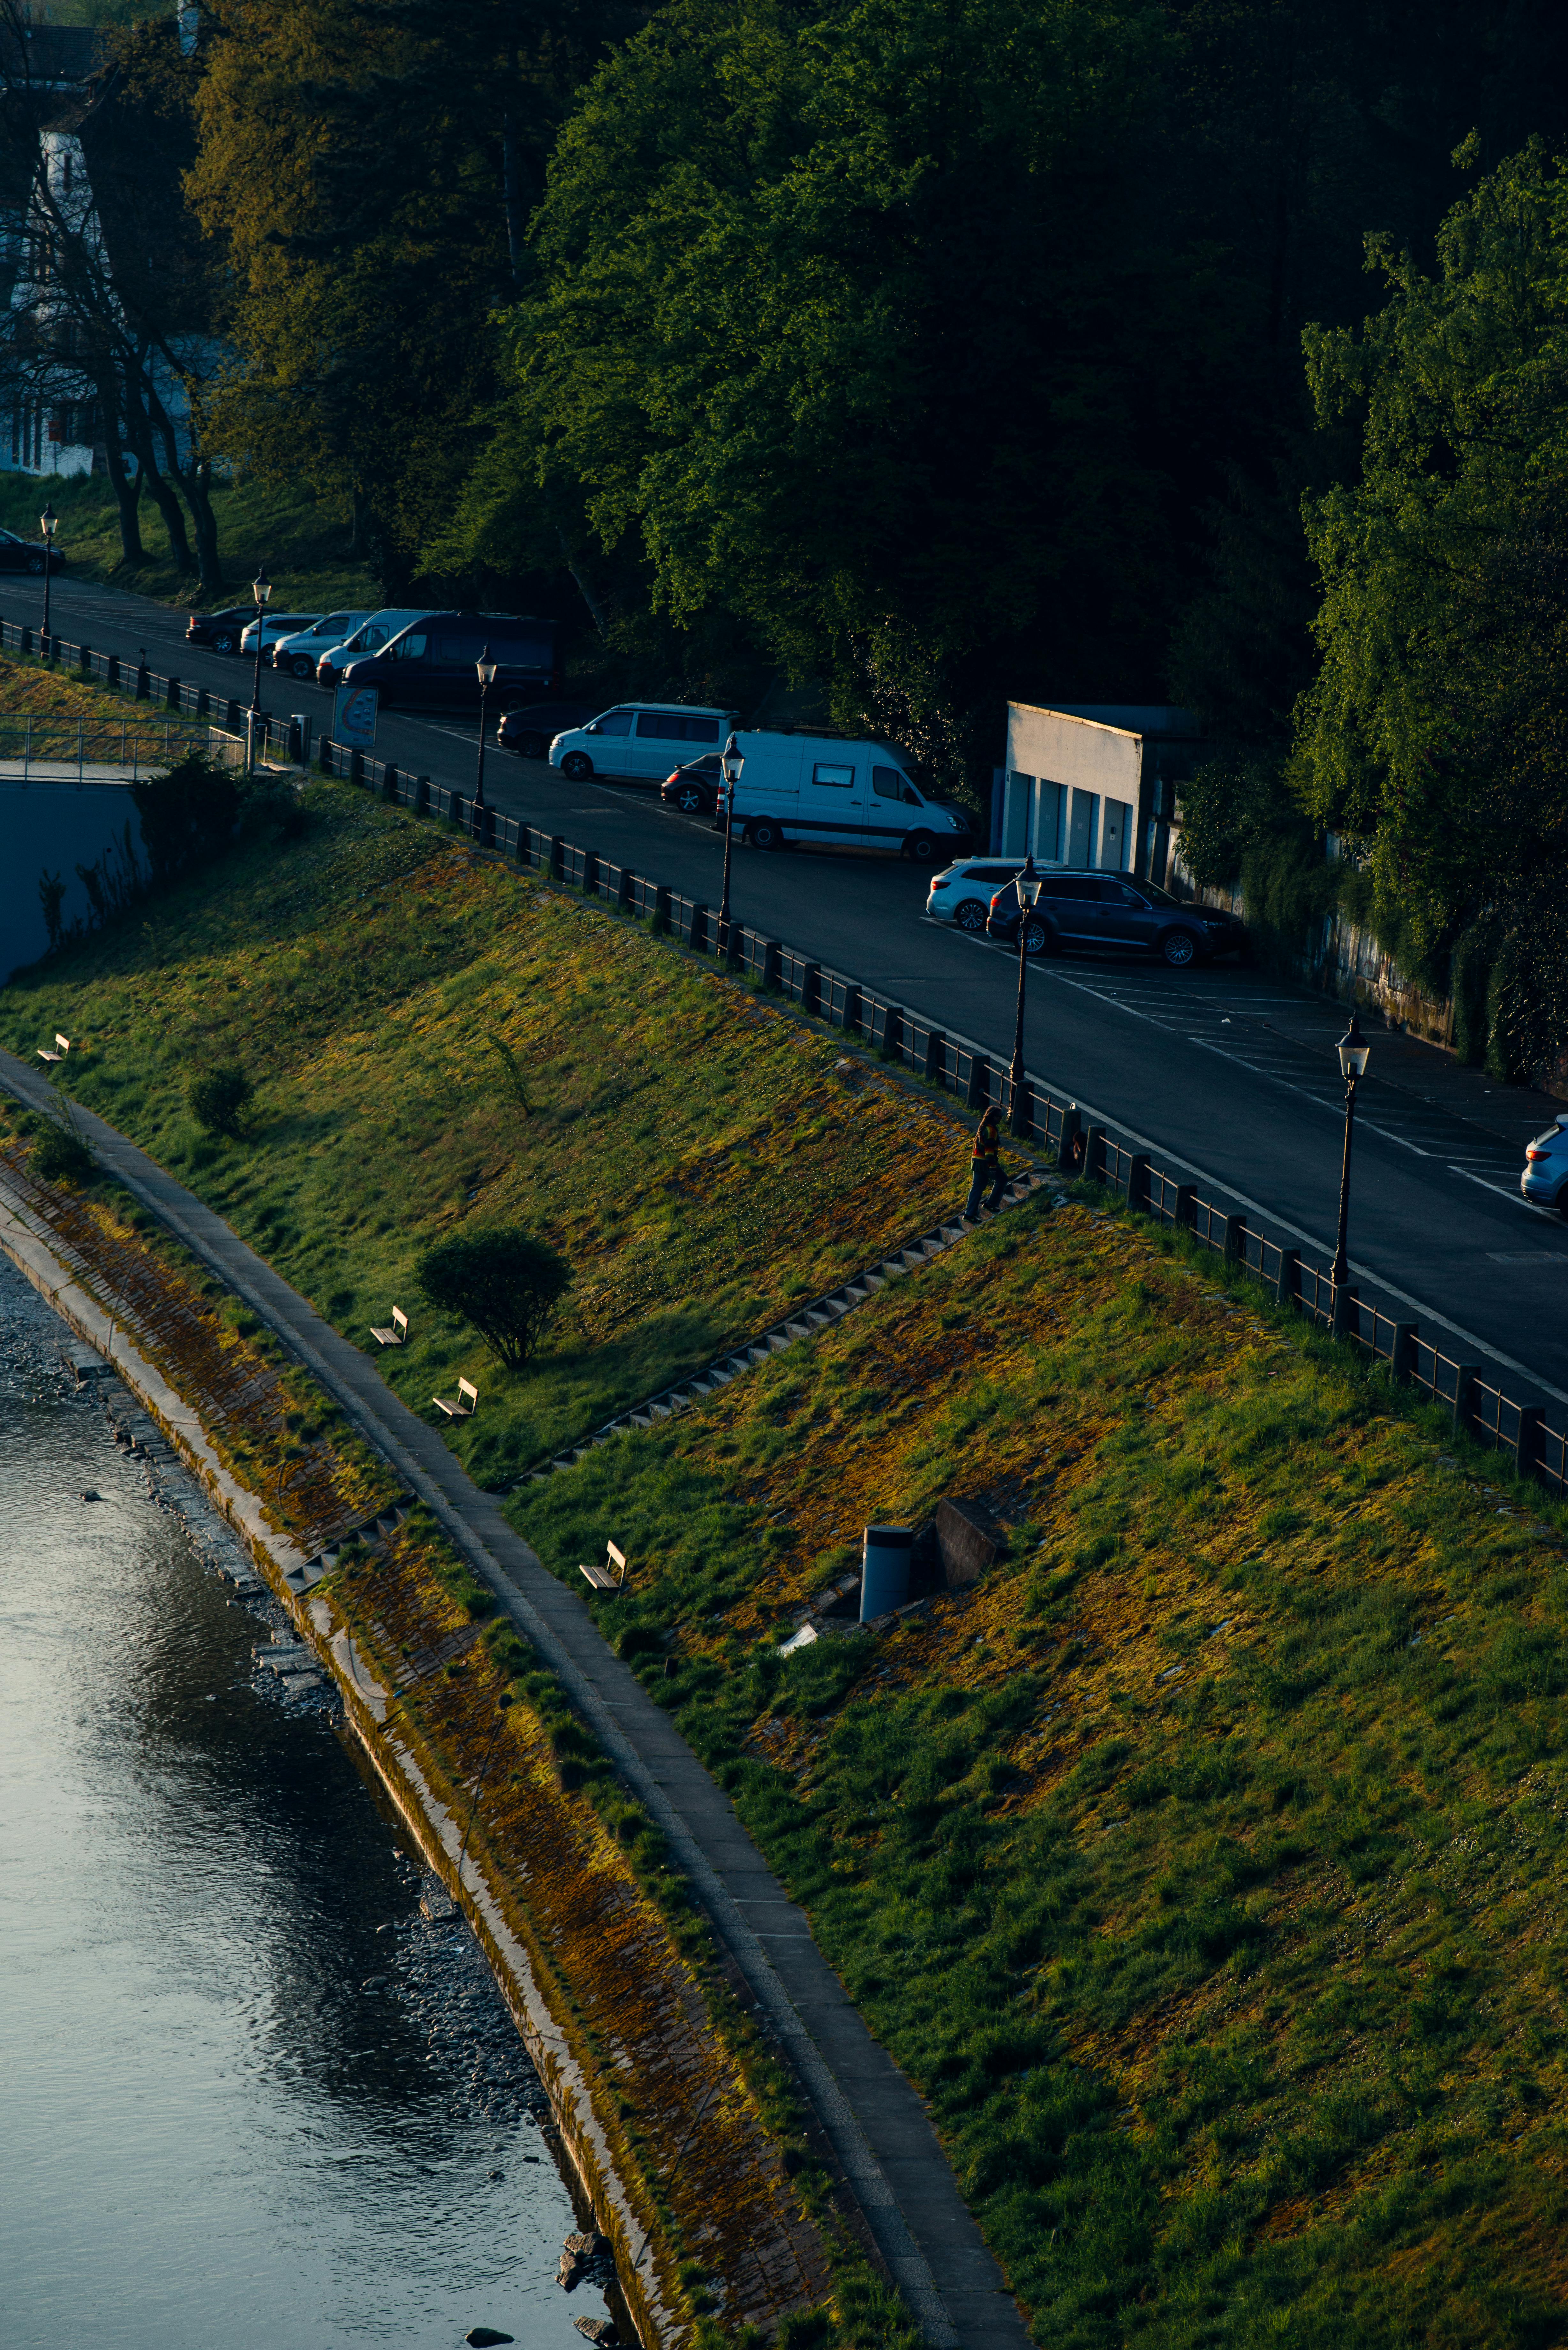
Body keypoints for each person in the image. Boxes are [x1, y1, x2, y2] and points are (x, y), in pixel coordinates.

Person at [965, 1105, 1007, 1219]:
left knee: (977, 1188)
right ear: (993, 1117)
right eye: (1000, 1117)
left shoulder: (984, 1128)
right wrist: (993, 1167)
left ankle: (969, 1215)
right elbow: (989, 1150)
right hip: (985, 1162)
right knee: (1002, 1179)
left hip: (977, 1161)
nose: (1000, 1119)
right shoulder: (991, 1130)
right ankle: (991, 1204)